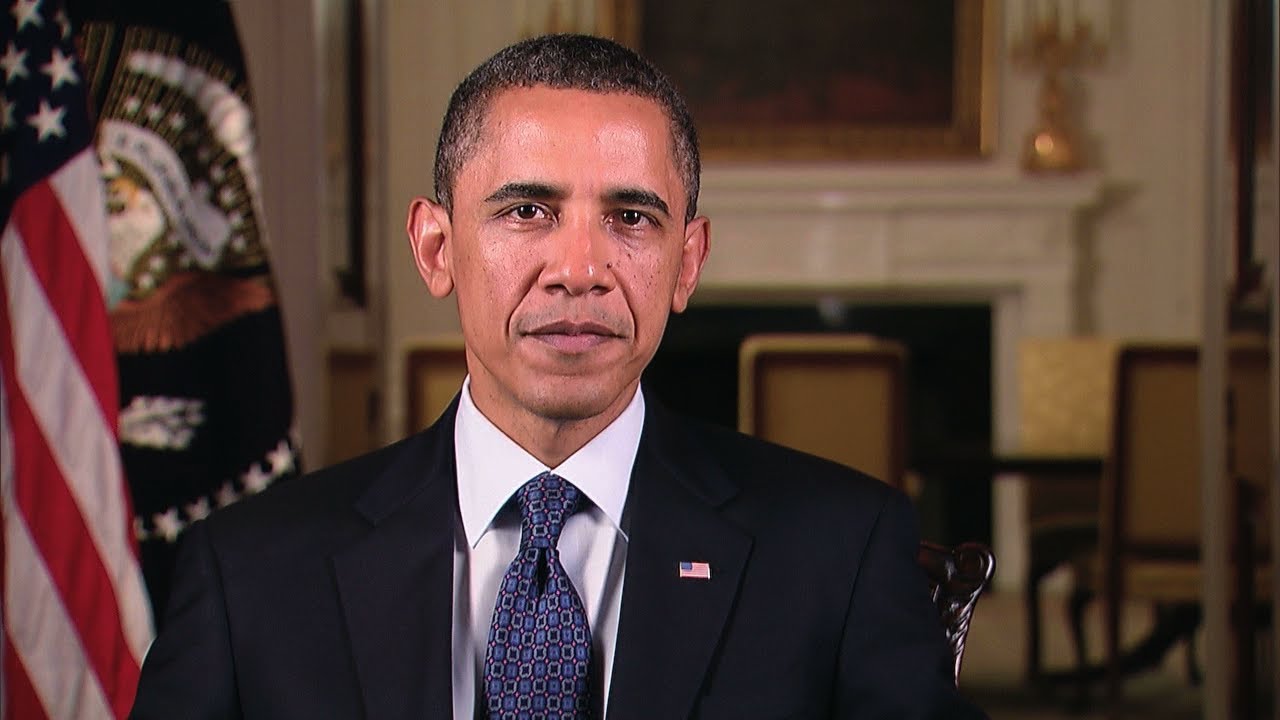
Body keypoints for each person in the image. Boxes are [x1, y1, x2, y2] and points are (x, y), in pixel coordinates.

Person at [130, 34, 987, 719]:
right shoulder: (251, 573)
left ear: (686, 263)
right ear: (436, 248)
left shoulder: (836, 550)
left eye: (630, 217)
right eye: (527, 211)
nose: (580, 268)